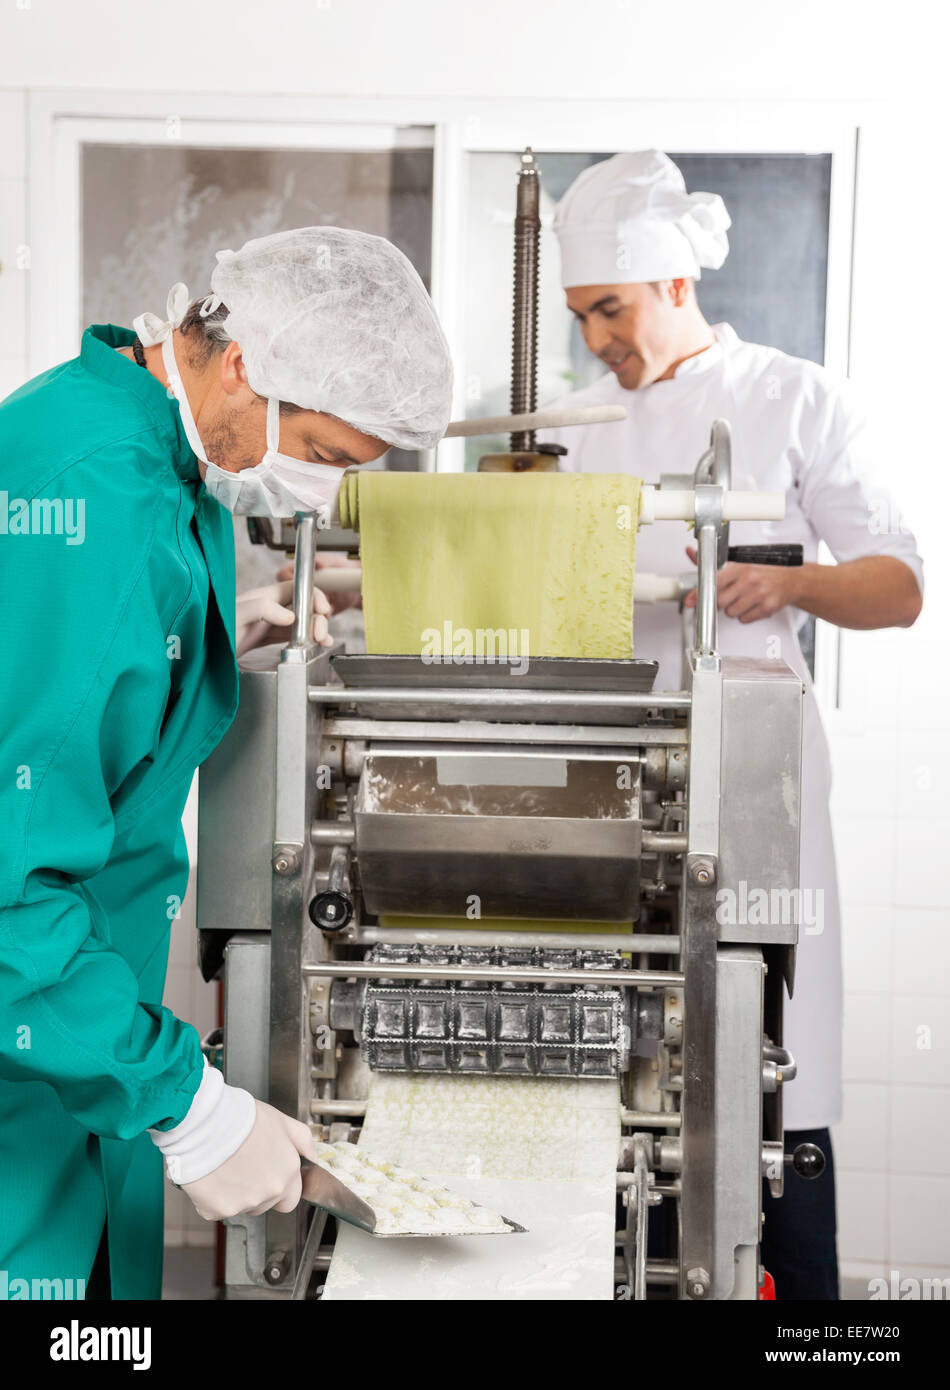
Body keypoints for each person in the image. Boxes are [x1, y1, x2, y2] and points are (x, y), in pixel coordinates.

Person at [0, 226, 453, 1300]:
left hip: (77, 1039)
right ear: (247, 364)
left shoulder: (144, 434)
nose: (317, 492)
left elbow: (81, 685)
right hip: (41, 1038)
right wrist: (190, 1107)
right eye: (329, 456)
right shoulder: (97, 497)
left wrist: (209, 639)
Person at [541, 152, 923, 1300]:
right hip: (604, 766)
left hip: (749, 773)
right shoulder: (570, 426)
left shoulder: (793, 396)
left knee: (765, 1048)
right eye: (577, 315)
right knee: (617, 1042)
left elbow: (896, 587)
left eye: (607, 308)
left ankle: (800, 1305)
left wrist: (794, 586)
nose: (596, 337)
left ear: (669, 283)